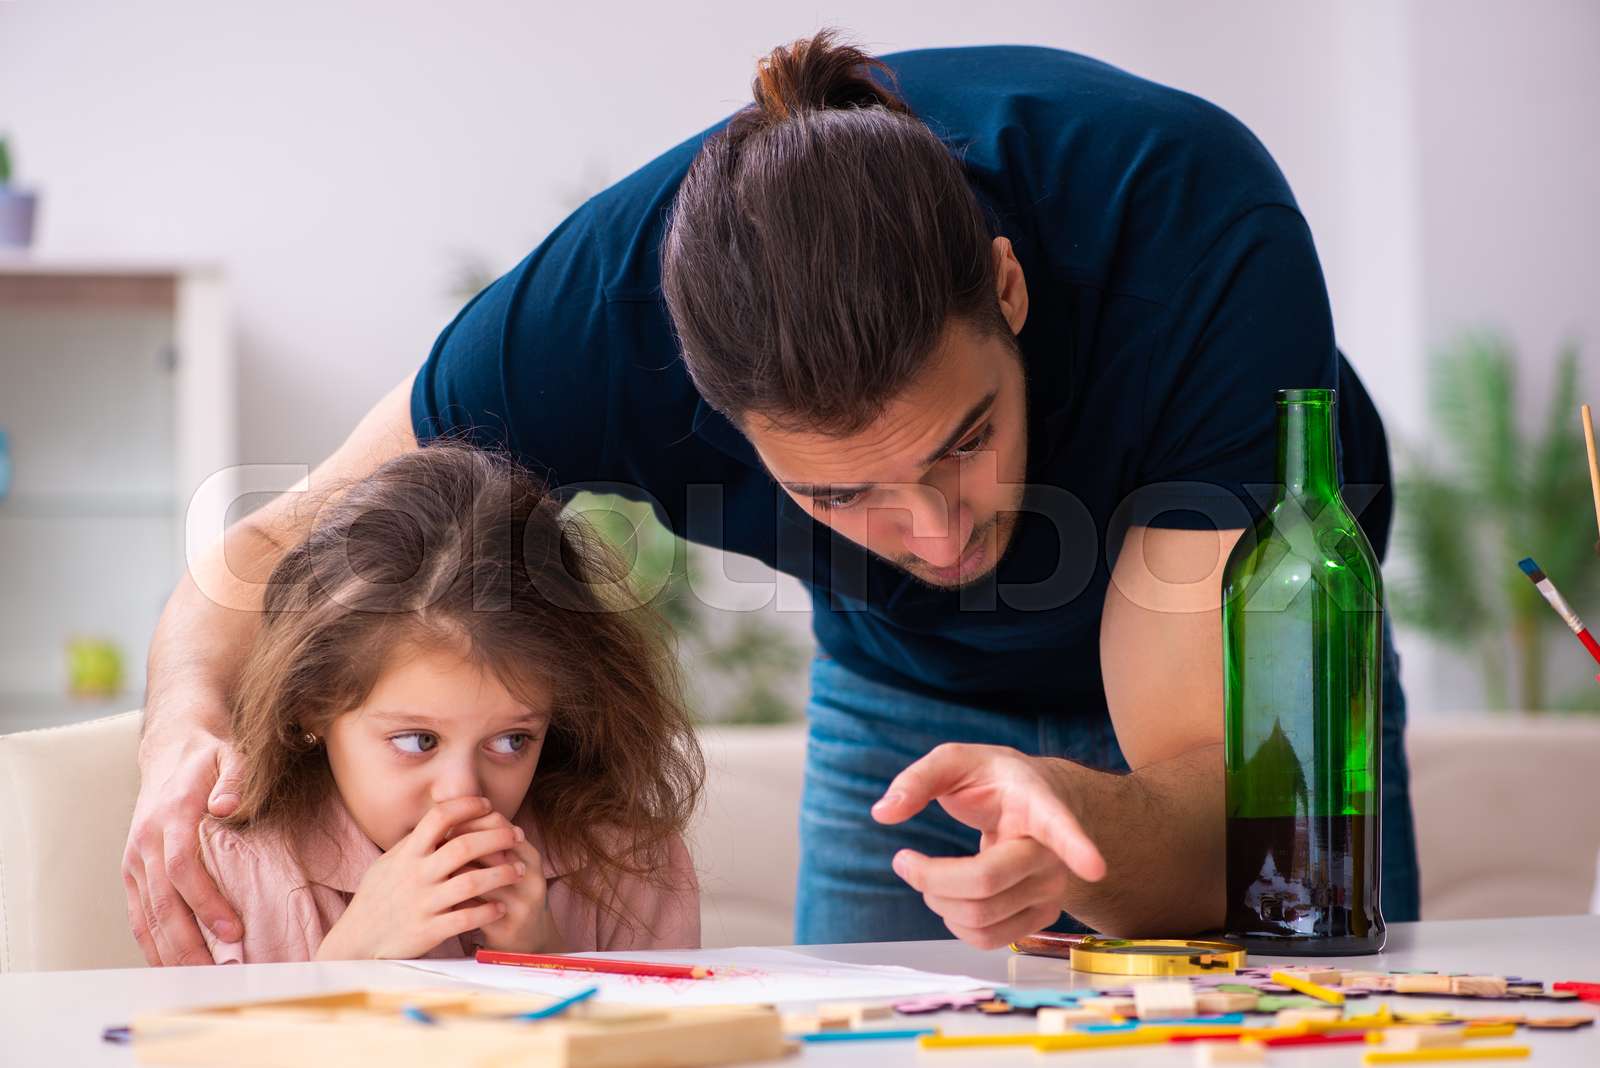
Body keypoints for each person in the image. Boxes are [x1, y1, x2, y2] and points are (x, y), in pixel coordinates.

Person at [126, 32, 1419, 965]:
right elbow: (263, 551)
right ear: (709, 408)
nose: (935, 531)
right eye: (841, 493)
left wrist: (1085, 822)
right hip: (902, 689)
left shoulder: (1185, 225)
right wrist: (178, 728)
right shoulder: (592, 326)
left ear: (1009, 289)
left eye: (963, 441)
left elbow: (1222, 811)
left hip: (1239, 684)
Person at [193, 444, 702, 962]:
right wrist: (348, 961)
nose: (462, 794)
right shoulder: (231, 874)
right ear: (310, 708)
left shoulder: (633, 866)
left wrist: (544, 958)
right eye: (418, 741)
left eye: (513, 740)